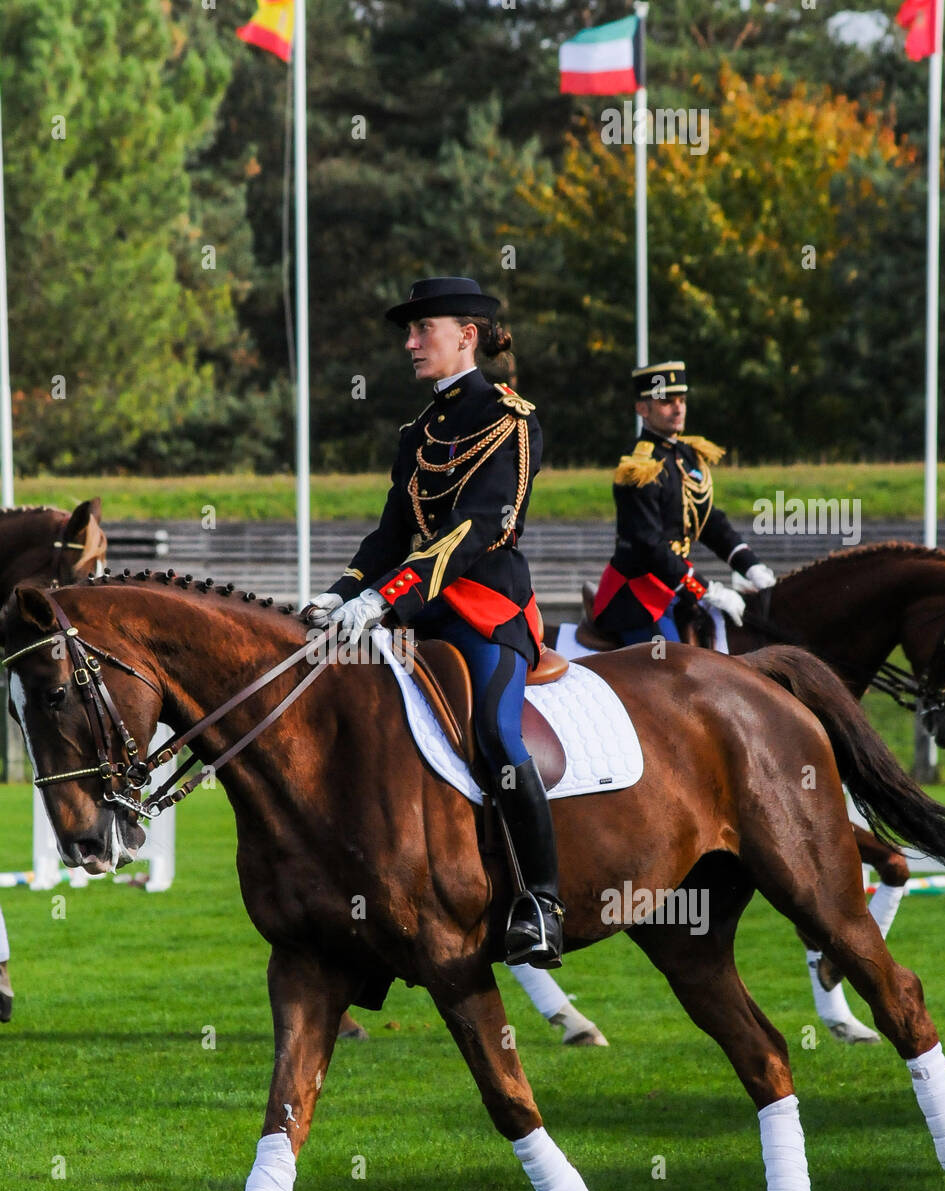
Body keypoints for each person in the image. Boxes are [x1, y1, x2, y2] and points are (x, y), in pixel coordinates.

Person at [304, 277, 564, 969]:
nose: (410, 343)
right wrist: (341, 593)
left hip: (484, 612)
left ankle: (541, 902)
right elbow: (392, 532)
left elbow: (475, 530)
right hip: (413, 618)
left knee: (495, 739)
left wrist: (386, 599)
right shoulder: (419, 431)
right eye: (408, 332)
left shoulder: (511, 421)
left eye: (424, 330)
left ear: (467, 336)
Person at [590, 360, 775, 646]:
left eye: (682, 400)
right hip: (640, 596)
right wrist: (703, 589)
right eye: (666, 401)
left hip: (676, 586)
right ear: (642, 409)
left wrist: (748, 564)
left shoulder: (687, 456)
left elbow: (707, 520)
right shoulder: (638, 465)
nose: (677, 408)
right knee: (671, 671)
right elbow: (648, 545)